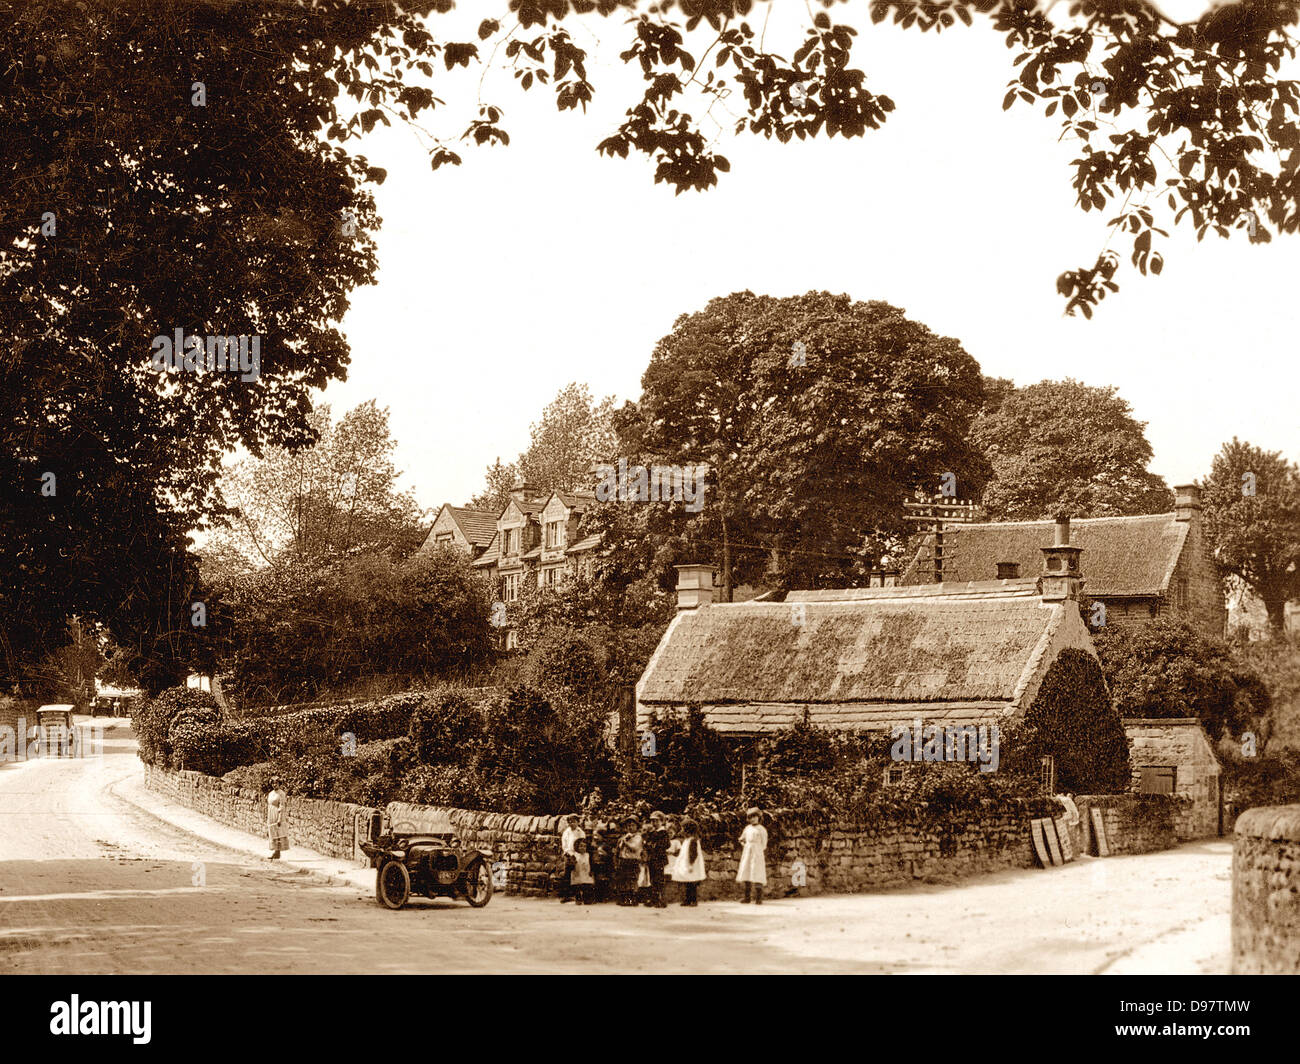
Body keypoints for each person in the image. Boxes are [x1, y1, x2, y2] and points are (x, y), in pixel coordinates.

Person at [736, 806, 768, 904]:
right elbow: (742, 838)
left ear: (759, 817)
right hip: (747, 852)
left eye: (755, 816)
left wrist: (757, 849)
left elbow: (764, 843)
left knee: (757, 872)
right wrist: (744, 844)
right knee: (747, 872)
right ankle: (747, 897)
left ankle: (759, 898)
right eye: (750, 817)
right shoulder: (747, 828)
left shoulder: (761, 829)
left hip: (757, 852)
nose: (753, 819)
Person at [672, 817, 706, 906]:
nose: (682, 831)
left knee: (692, 883)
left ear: (688, 830)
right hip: (687, 864)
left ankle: (693, 900)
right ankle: (687, 900)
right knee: (687, 882)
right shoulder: (687, 840)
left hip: (692, 865)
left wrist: (691, 864)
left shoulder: (693, 840)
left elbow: (693, 854)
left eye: (683, 829)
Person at [641, 811, 669, 908]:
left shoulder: (664, 832)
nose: (654, 823)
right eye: (652, 821)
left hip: (659, 859)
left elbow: (666, 844)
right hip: (652, 858)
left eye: (656, 821)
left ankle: (661, 900)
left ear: (662, 821)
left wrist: (654, 845)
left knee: (659, 879)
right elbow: (647, 843)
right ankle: (654, 899)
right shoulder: (652, 832)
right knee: (653, 879)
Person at [615, 815, 643, 906]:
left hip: (633, 860)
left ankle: (633, 899)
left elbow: (635, 848)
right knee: (624, 879)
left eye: (632, 825)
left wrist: (625, 843)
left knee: (632, 880)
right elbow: (619, 848)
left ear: (637, 827)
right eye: (628, 826)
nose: (630, 827)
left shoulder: (638, 837)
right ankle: (625, 899)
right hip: (624, 860)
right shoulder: (625, 837)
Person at [558, 813, 586, 903]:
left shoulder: (580, 832)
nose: (572, 824)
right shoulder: (567, 832)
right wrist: (567, 852)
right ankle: (566, 896)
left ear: (578, 822)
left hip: (578, 855)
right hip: (568, 854)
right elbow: (564, 844)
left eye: (574, 822)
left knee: (577, 875)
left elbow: (582, 844)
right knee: (567, 875)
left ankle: (578, 897)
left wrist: (577, 854)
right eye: (570, 822)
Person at [267, 777, 288, 860]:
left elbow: (282, 806)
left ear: (279, 784)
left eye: (276, 783)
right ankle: (275, 851)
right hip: (271, 813)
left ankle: (277, 852)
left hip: (277, 814)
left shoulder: (281, 794)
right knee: (272, 832)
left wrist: (279, 818)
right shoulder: (271, 793)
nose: (274, 785)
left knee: (278, 833)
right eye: (273, 783)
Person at [570, 837, 594, 905]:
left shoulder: (588, 855)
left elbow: (591, 863)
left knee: (587, 887)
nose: (582, 848)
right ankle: (578, 899)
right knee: (577, 887)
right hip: (577, 873)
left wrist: (591, 871)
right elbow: (571, 864)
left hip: (586, 873)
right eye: (580, 846)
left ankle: (587, 899)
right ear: (577, 846)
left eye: (584, 846)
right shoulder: (575, 855)